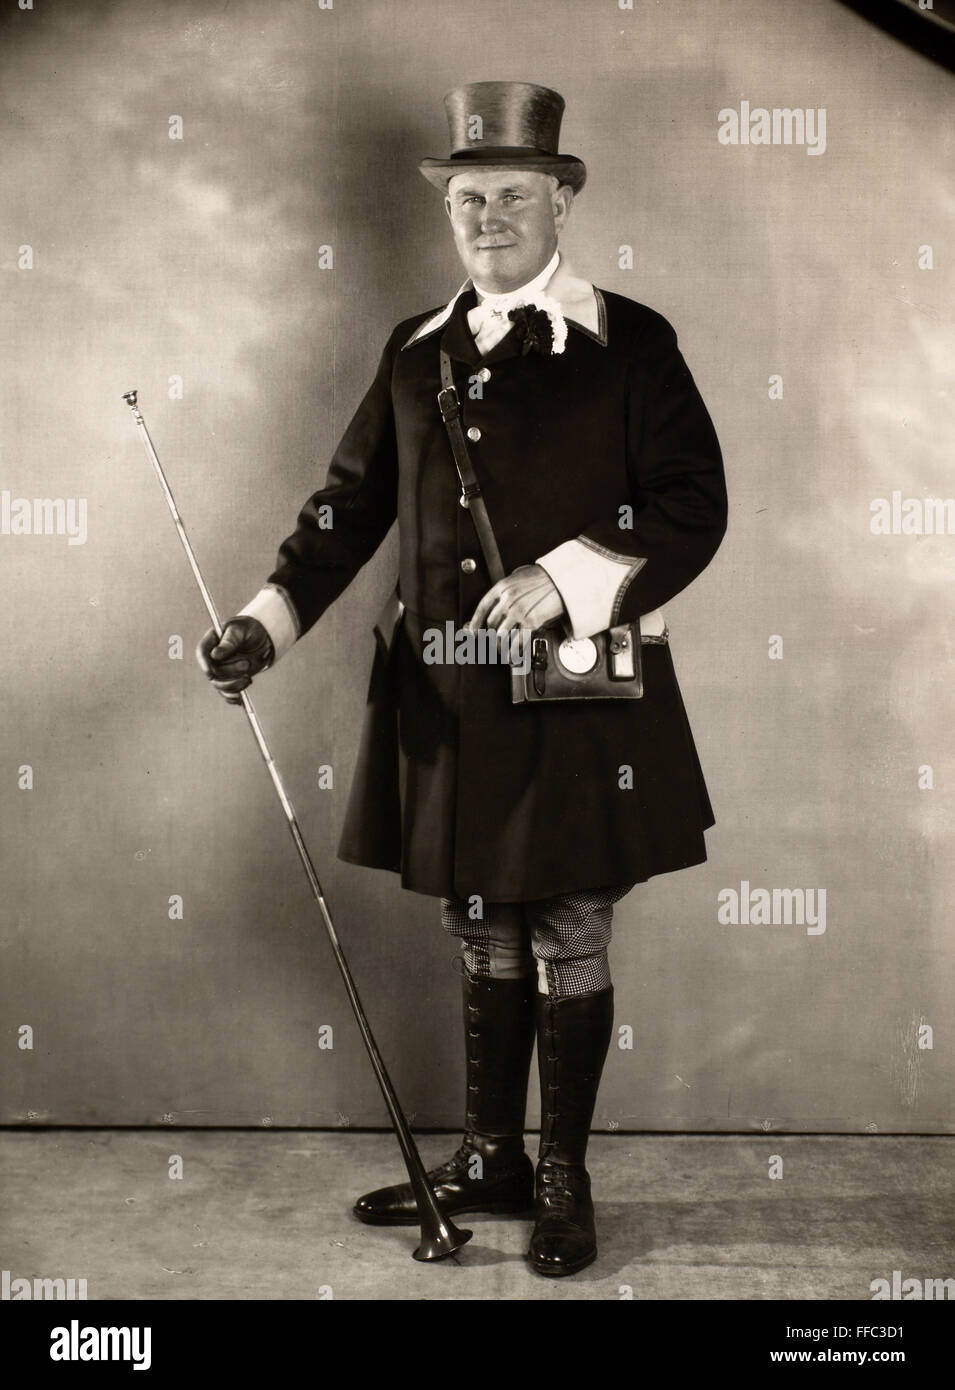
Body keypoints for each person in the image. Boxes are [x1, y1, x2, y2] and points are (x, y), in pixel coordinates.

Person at [197, 81, 727, 1277]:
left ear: (564, 198)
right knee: (480, 921)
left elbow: (695, 505)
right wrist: (262, 625)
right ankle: (488, 1155)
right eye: (467, 195)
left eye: (513, 192)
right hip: (448, 690)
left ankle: (561, 1173)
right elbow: (344, 512)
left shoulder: (631, 341)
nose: (487, 214)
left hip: (584, 694)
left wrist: (565, 578)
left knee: (569, 919)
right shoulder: (414, 351)